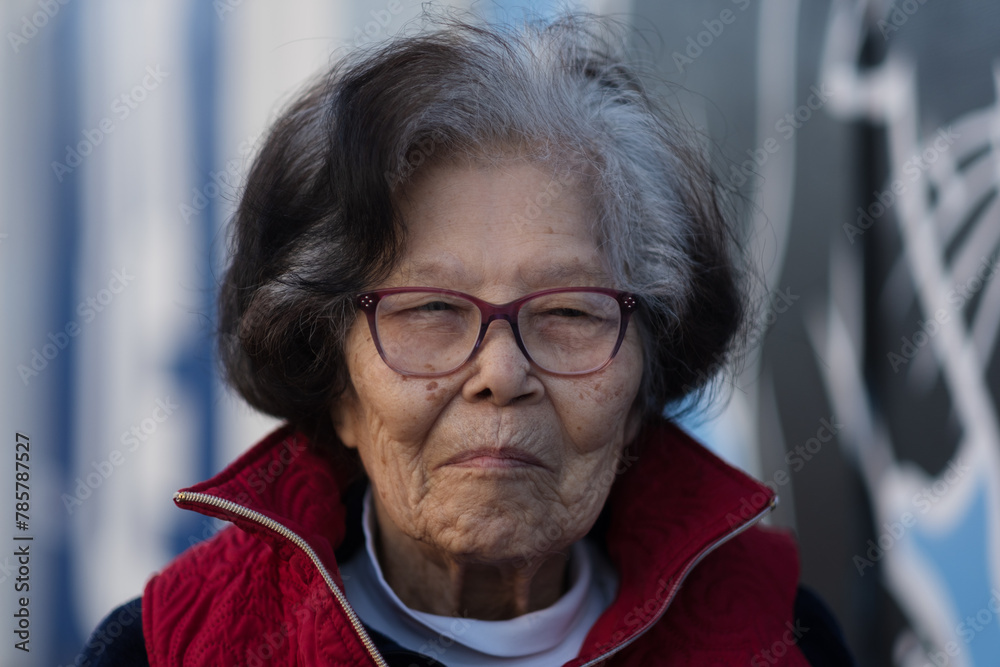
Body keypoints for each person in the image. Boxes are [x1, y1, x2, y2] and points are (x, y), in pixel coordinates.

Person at [80, 12, 853, 666]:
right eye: (428, 310)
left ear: (644, 378)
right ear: (337, 387)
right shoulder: (165, 649)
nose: (501, 372)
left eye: (572, 312)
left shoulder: (782, 637)